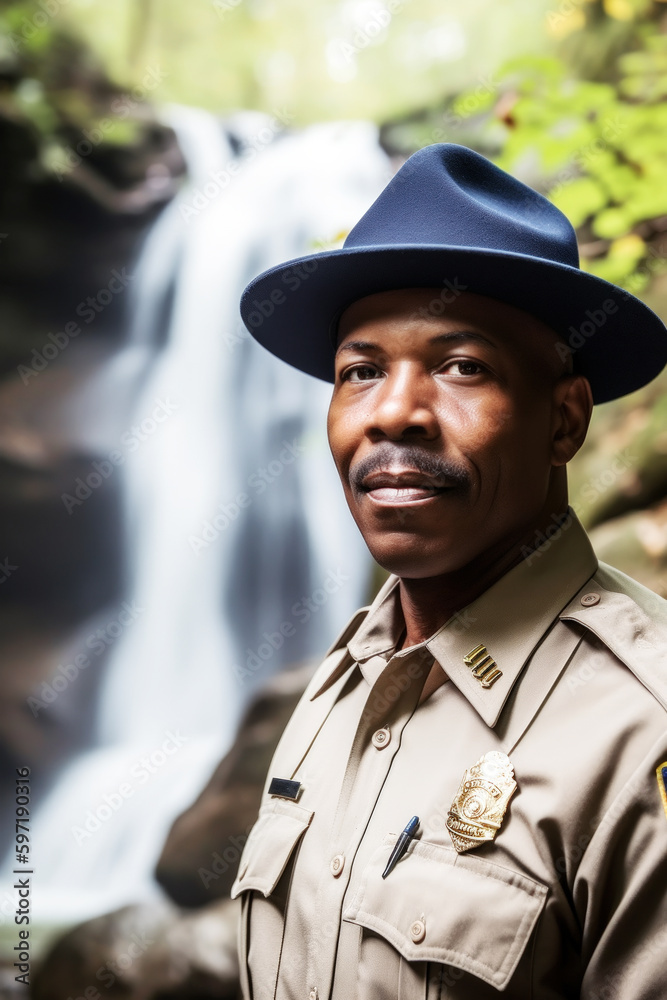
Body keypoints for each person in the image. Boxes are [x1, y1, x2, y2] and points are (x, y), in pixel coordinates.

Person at [230, 143, 667, 999]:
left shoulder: (640, 727)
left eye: (461, 366)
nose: (393, 412)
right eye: (360, 372)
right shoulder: (342, 684)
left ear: (563, 421)